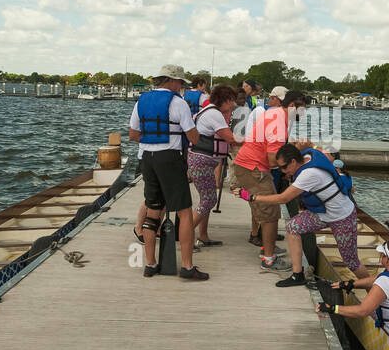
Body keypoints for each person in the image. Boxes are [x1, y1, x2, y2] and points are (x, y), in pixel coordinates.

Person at [251, 143, 369, 288]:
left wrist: (254, 197)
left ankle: (372, 287)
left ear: (293, 161)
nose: (282, 171)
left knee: (351, 262)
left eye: (284, 167)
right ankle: (297, 275)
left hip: (342, 216)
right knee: (293, 226)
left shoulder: (308, 174)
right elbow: (324, 153)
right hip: (323, 213)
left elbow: (283, 199)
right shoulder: (308, 155)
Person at [128, 67, 208, 280]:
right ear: (172, 81)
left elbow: (133, 134)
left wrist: (153, 138)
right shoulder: (178, 103)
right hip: (170, 159)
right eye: (180, 82)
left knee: (153, 210)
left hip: (147, 159)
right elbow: (193, 137)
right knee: (184, 212)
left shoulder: (141, 101)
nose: (181, 86)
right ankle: (187, 267)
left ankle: (151, 265)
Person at [233, 89, 307, 270]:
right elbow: (275, 160)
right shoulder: (279, 123)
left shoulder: (274, 113)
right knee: (271, 214)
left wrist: (291, 147)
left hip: (249, 164)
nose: (304, 114)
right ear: (291, 106)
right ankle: (268, 258)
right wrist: (297, 156)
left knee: (269, 212)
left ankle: (268, 248)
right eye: (302, 109)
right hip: (254, 168)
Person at [188, 84, 239, 245]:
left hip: (202, 160)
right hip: (202, 161)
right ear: (225, 100)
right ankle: (185, 236)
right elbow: (230, 138)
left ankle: (203, 236)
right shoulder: (214, 114)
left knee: (207, 199)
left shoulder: (208, 110)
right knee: (209, 200)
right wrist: (254, 141)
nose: (233, 105)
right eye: (232, 101)